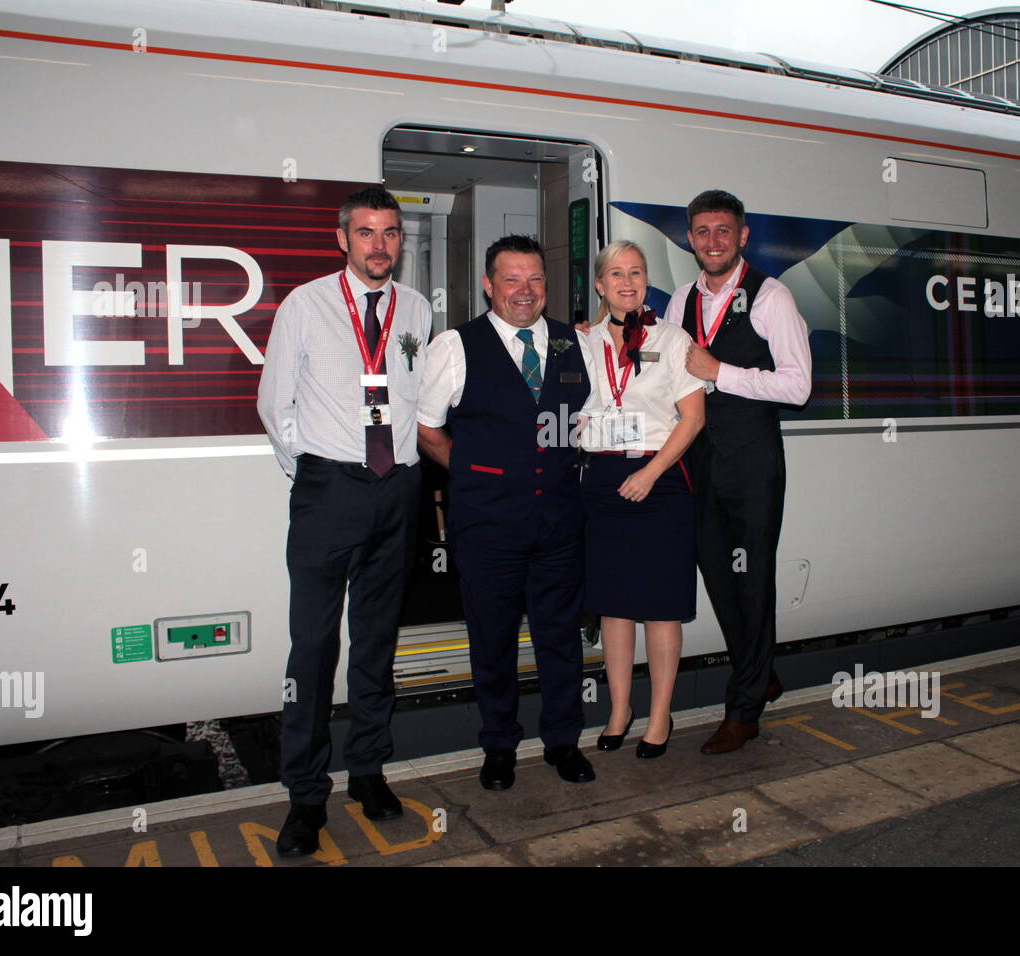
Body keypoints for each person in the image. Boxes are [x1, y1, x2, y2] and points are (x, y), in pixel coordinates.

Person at [257, 185, 433, 856]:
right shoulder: (305, 305)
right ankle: (305, 798)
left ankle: (367, 772)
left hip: (399, 491)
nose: (380, 245)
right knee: (312, 648)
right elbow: (277, 404)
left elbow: (421, 399)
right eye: (367, 233)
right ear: (344, 239)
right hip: (331, 488)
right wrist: (316, 467)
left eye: (390, 233)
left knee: (377, 642)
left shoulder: (416, 310)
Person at [417, 235, 597, 790]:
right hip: (487, 524)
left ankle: (563, 742)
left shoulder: (574, 344)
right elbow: (426, 426)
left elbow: (588, 416)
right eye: (512, 280)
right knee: (492, 639)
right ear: (489, 285)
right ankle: (499, 746)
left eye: (536, 279)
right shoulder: (455, 345)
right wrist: (472, 472)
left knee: (560, 637)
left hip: (561, 521)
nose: (525, 291)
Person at [663, 189, 812, 754]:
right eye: (702, 231)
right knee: (718, 575)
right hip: (699, 455)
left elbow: (797, 386)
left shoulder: (772, 297)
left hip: (751, 458)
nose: (713, 241)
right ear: (691, 239)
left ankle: (744, 708)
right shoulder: (680, 301)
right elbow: (665, 367)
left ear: (743, 236)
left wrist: (720, 371)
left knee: (752, 580)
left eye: (723, 231)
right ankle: (760, 670)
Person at [580, 240, 705, 759]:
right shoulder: (580, 342)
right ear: (600, 285)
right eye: (615, 273)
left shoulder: (673, 339)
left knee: (659, 607)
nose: (627, 282)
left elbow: (693, 417)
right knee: (612, 605)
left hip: (662, 477)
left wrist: (651, 473)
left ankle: (659, 717)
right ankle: (618, 710)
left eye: (636, 272)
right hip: (604, 476)